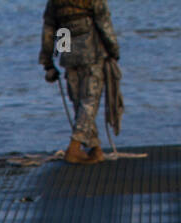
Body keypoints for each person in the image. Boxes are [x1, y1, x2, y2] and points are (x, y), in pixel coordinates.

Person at [39, 0, 120, 165]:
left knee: (78, 100)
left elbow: (50, 29)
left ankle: (95, 148)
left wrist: (48, 62)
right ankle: (74, 147)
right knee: (89, 100)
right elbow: (104, 23)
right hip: (92, 51)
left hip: (67, 48)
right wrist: (113, 50)